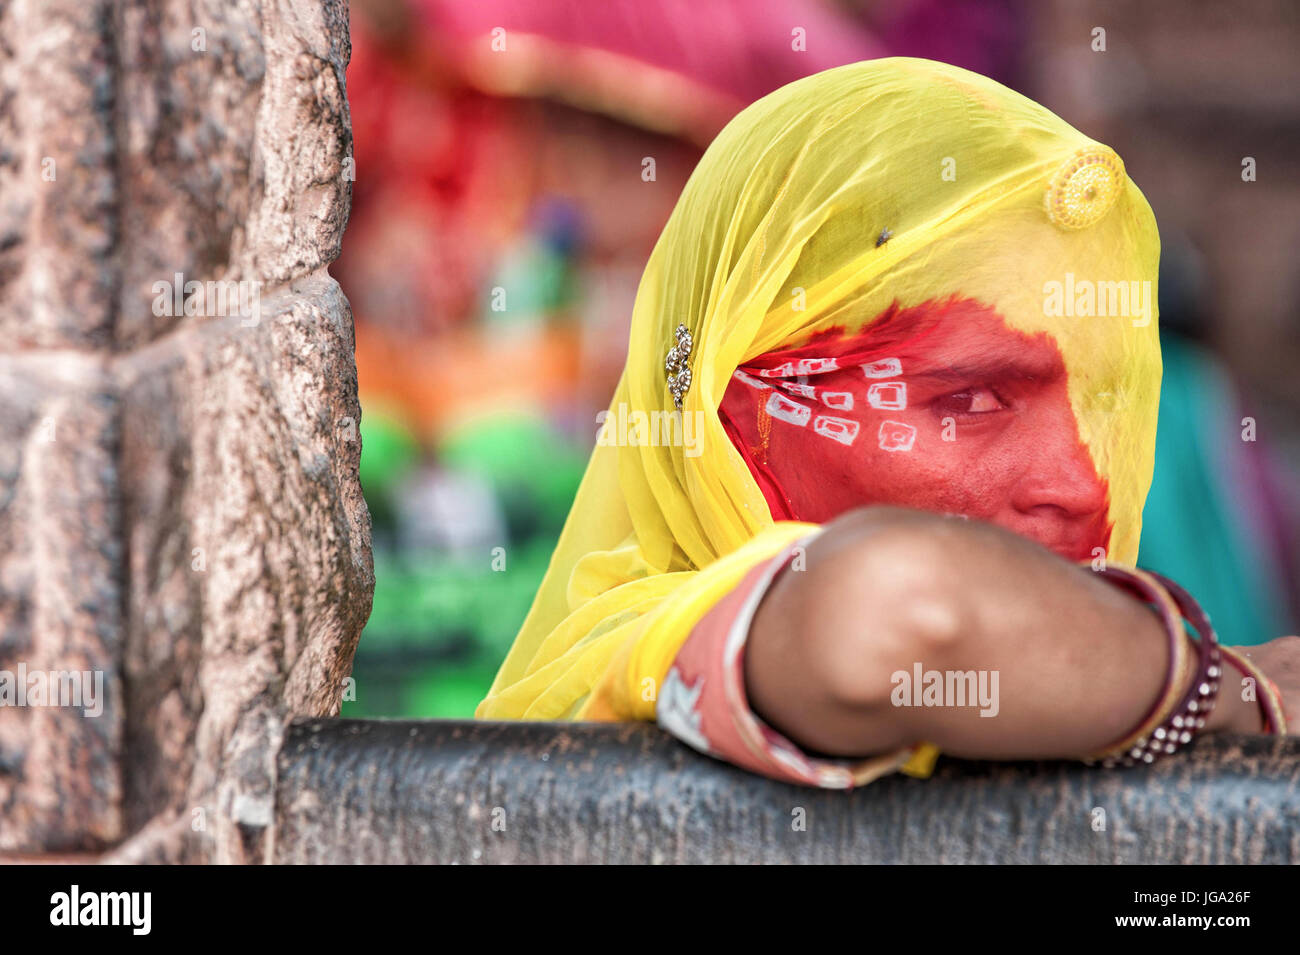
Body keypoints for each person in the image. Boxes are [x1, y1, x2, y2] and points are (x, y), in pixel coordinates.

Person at [476, 58, 1294, 788]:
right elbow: (894, 610)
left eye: (1105, 402)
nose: (1082, 485)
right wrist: (1228, 688)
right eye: (970, 401)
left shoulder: (1063, 730)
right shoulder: (633, 663)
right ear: (741, 424)